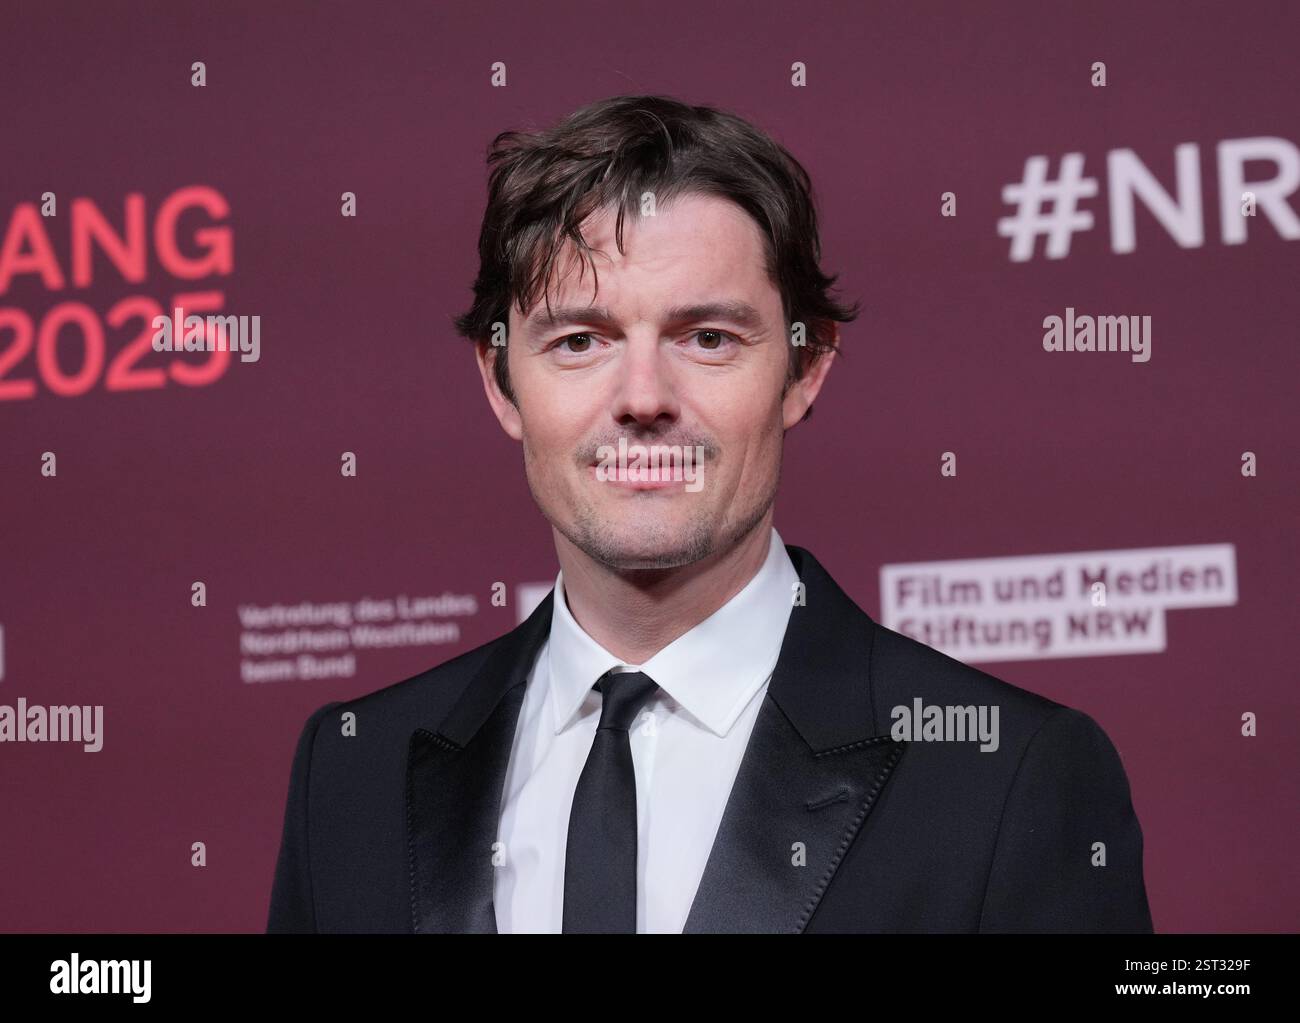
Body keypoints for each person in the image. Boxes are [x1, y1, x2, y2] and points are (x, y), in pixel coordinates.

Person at [267, 94, 1153, 933]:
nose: (644, 397)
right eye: (580, 341)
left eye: (708, 338)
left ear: (804, 370)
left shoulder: (1006, 778)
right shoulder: (352, 775)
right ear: (501, 382)